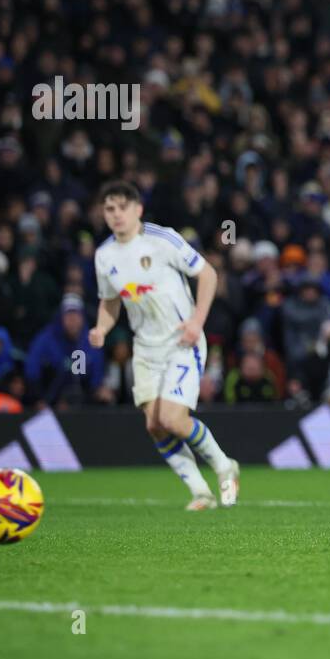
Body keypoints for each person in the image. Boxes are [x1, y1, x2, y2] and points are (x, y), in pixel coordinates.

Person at [88, 181, 240, 510]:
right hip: (145, 348)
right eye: (109, 209)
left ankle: (224, 465)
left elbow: (209, 274)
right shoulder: (104, 256)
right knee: (154, 425)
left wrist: (197, 321)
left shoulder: (163, 238)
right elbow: (110, 301)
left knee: (172, 418)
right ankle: (201, 493)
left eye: (122, 207)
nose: (116, 215)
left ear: (138, 210)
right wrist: (101, 328)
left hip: (182, 340)